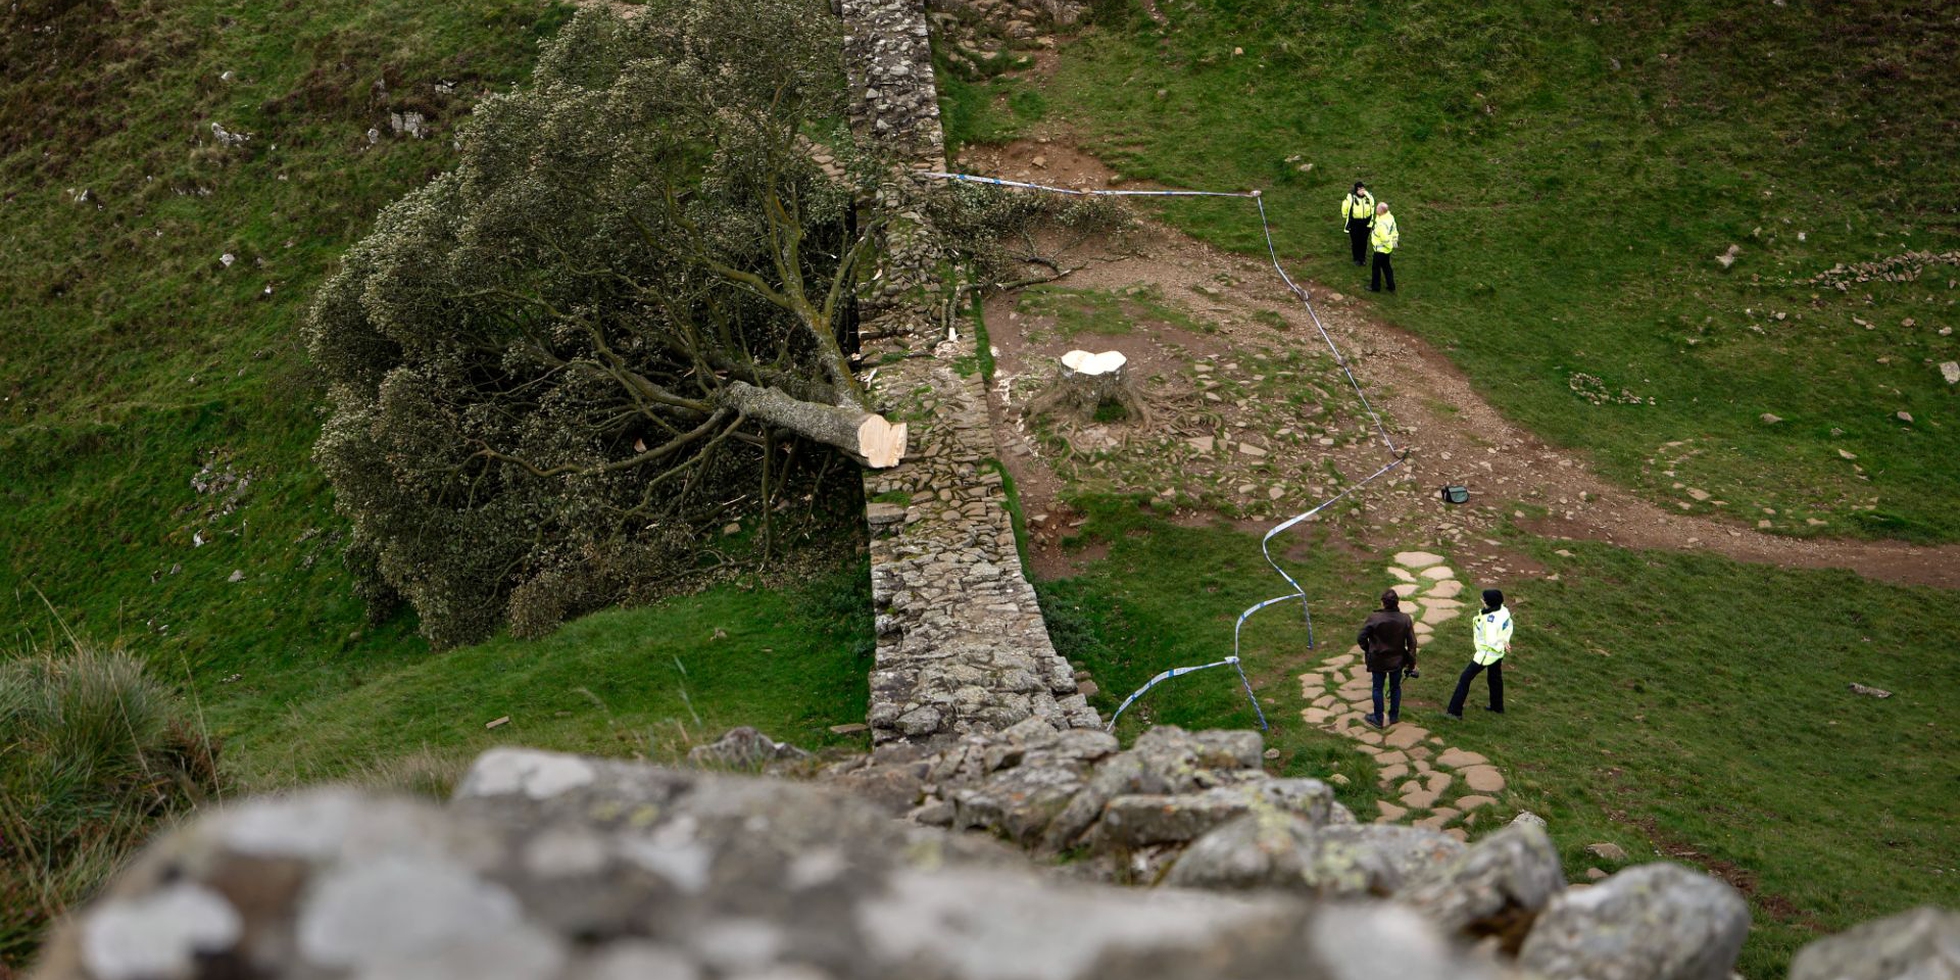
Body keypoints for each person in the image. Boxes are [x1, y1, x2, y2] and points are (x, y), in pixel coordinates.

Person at [1445, 589, 1512, 718]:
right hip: (1498, 652)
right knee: (1494, 677)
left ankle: (1454, 711)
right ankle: (1497, 707)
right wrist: (1504, 641)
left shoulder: (1490, 620)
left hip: (1487, 653)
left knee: (1465, 678)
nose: (1481, 599)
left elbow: (1490, 640)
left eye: (1483, 598)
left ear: (1488, 603)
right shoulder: (1503, 611)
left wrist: (1483, 651)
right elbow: (1508, 627)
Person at [1356, 589, 1418, 727]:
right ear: (1397, 603)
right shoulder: (1405, 619)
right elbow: (1412, 643)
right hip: (1397, 660)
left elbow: (1361, 638)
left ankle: (1378, 718)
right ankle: (1394, 716)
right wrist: (1412, 663)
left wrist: (1368, 649)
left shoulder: (1374, 618)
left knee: (1377, 688)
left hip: (1378, 660)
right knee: (1395, 688)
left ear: (1383, 603)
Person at [1340, 182, 1376, 266]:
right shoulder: (1351, 199)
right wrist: (1346, 216)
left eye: (1363, 188)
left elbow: (1372, 207)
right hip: (1355, 223)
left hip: (1366, 223)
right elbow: (1344, 207)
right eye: (1359, 189)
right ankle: (1356, 258)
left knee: (1363, 241)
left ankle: (1362, 258)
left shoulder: (1368, 198)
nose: (1362, 191)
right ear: (1356, 190)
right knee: (1355, 241)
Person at [1370, 201, 1398, 293]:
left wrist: (1387, 246)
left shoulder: (1381, 223)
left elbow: (1384, 238)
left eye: (1377, 208)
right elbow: (1394, 231)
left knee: (1376, 268)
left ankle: (1375, 287)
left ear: (1381, 211)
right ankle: (1391, 286)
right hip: (1387, 250)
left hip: (1380, 250)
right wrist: (1393, 244)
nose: (1376, 209)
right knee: (1387, 267)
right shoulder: (1390, 217)